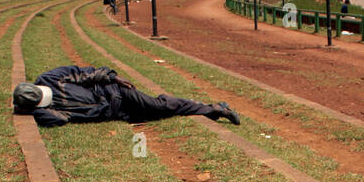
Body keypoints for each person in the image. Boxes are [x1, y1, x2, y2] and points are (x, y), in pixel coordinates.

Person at [12, 65, 241, 128]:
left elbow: (87, 72)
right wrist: (34, 111)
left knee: (160, 107)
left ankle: (216, 109)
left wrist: (113, 77)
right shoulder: (45, 112)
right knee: (161, 114)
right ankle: (212, 109)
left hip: (116, 93)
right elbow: (59, 120)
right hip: (115, 112)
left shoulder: (50, 79)